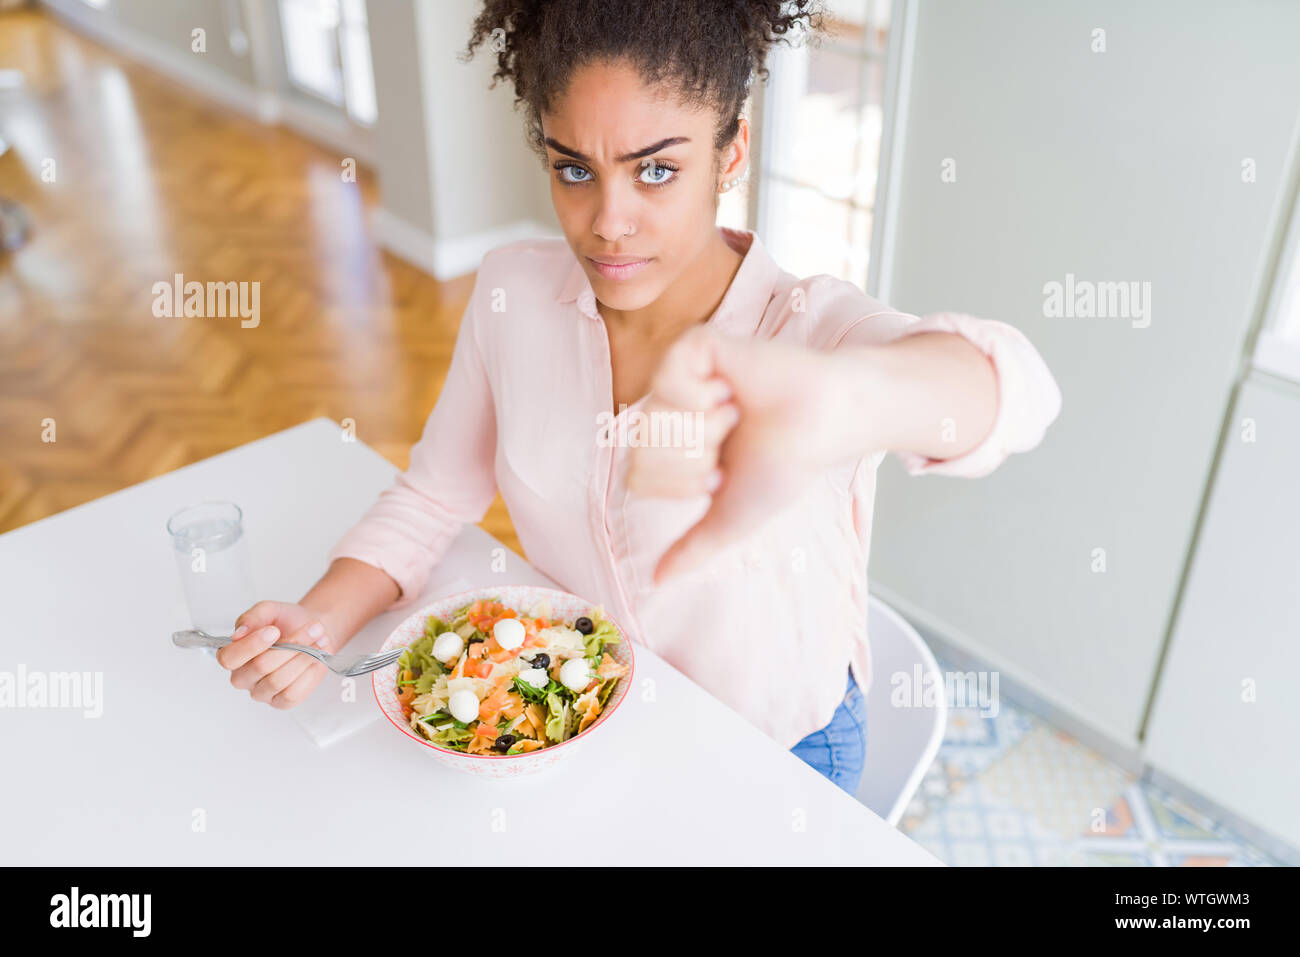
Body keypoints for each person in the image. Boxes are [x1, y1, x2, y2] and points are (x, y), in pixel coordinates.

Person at [216, 0, 1061, 795]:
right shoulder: (511, 293)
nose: (607, 222)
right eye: (573, 169)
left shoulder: (812, 331)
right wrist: (319, 620)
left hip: (776, 749)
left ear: (731, 152)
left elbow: (1011, 390)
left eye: (657, 169)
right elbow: (434, 496)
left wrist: (843, 400)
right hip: (596, 722)